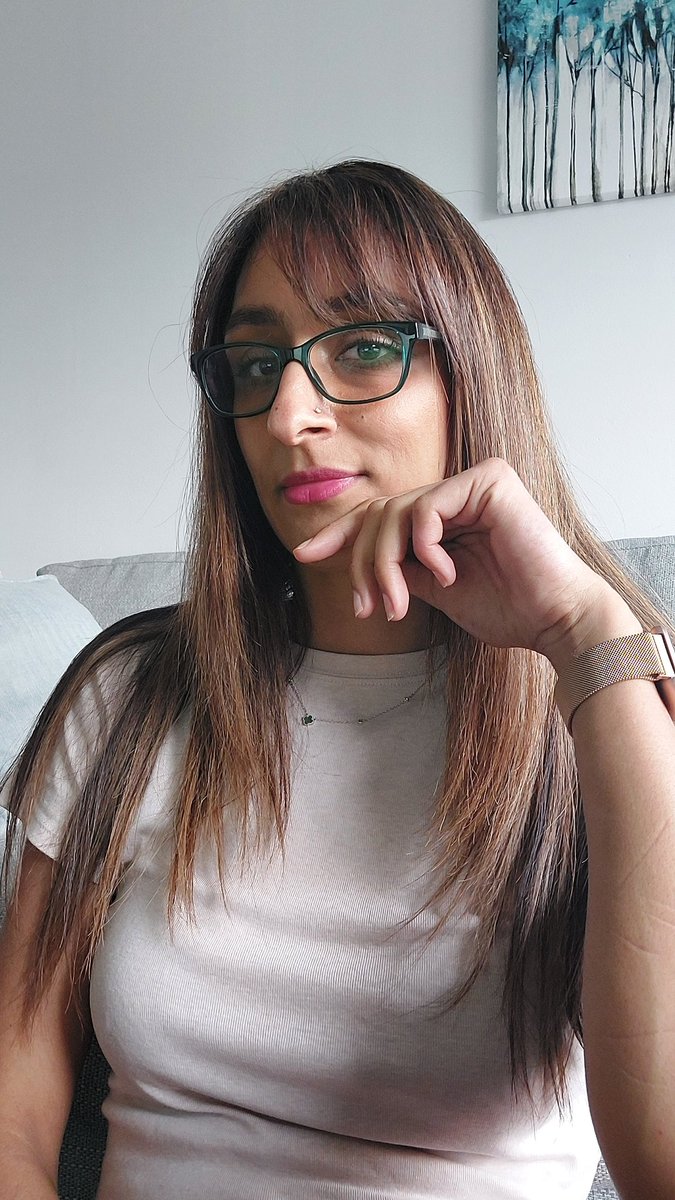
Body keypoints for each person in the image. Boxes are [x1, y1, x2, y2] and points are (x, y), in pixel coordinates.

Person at [1, 160, 674, 1200]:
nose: (288, 416)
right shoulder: (130, 694)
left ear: (470, 372)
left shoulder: (606, 708)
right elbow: (15, 1091)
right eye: (255, 363)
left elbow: (659, 1159)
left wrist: (588, 635)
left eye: (362, 348)